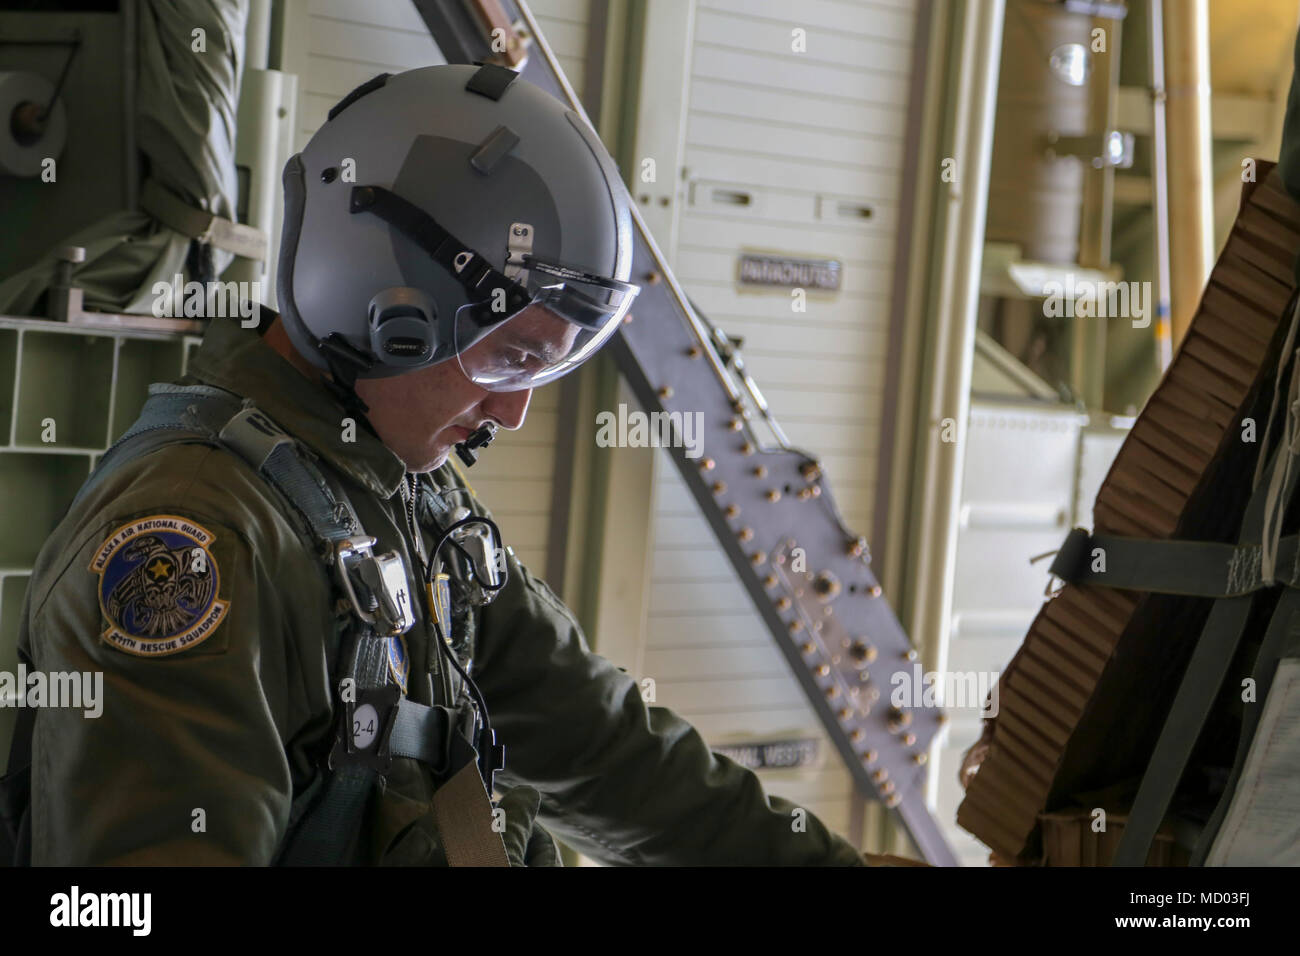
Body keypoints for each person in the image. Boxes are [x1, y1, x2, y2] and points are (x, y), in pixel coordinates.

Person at [2, 63, 871, 866]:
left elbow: (607, 748)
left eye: (543, 370)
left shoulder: (400, 496)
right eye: (509, 360)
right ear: (384, 303)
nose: (514, 410)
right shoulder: (199, 541)